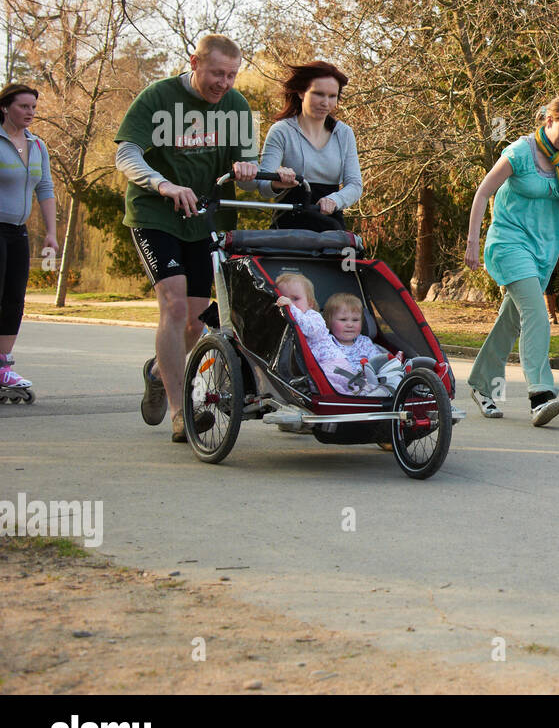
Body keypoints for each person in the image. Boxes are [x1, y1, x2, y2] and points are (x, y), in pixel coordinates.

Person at [115, 34, 270, 442]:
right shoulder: (158, 96)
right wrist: (162, 184)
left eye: (232, 75)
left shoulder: (236, 107)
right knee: (174, 303)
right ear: (194, 62)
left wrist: (250, 170)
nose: (224, 83)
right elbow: (126, 153)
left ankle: (155, 371)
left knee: (196, 317)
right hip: (156, 213)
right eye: (217, 72)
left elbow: (248, 162)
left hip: (206, 218)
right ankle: (178, 409)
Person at [463, 95, 559, 426]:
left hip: (543, 250)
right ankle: (541, 393)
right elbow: (483, 192)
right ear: (548, 121)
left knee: (512, 320)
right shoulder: (519, 153)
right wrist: (472, 242)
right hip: (509, 244)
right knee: (537, 311)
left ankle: (484, 386)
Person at [0, 83, 58, 399]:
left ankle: (3, 366)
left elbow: (45, 189)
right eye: (24, 107)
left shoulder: (37, 146)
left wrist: (50, 232)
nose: (30, 113)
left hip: (18, 232)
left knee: (13, 301)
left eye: (34, 107)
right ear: (5, 108)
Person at [257, 61, 362, 231]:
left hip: (331, 229)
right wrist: (276, 180)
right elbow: (263, 187)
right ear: (301, 92)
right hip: (287, 230)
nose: (325, 103)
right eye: (318, 94)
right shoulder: (281, 131)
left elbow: (355, 185)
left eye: (332, 96)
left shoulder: (344, 134)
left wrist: (335, 200)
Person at [274, 273, 395, 396]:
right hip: (324, 367)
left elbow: (309, 328)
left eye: (295, 298)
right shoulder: (330, 338)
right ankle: (359, 394)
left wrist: (290, 308)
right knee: (328, 386)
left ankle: (363, 394)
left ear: (310, 303)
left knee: (334, 387)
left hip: (333, 364)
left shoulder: (313, 317)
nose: (349, 324)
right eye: (285, 298)